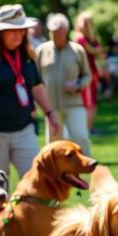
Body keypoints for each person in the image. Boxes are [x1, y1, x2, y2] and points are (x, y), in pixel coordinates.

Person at [0, 4, 59, 178]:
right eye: (12, 30)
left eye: (22, 29)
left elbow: (37, 87)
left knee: (39, 179)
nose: (19, 34)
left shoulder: (27, 54)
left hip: (23, 128)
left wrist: (50, 113)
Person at [37, 13, 92, 154]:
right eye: (52, 32)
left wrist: (78, 85)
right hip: (51, 107)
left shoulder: (77, 50)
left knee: (81, 137)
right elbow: (35, 79)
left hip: (74, 104)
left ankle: (86, 171)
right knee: (53, 145)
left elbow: (87, 75)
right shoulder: (41, 50)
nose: (55, 35)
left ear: (66, 31)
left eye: (58, 32)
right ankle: (56, 175)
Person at [73, 11, 104, 134]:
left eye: (87, 22)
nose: (85, 25)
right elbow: (95, 51)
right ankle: (87, 129)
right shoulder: (79, 38)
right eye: (84, 22)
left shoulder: (91, 38)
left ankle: (89, 128)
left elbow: (99, 51)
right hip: (85, 74)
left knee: (92, 103)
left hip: (93, 73)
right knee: (89, 103)